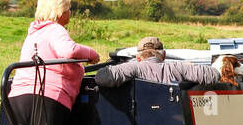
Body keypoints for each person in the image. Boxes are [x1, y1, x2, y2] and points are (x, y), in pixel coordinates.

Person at [93, 36, 222, 87]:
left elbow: (102, 78)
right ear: (164, 55)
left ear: (138, 57)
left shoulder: (132, 67)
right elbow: (213, 75)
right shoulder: (179, 67)